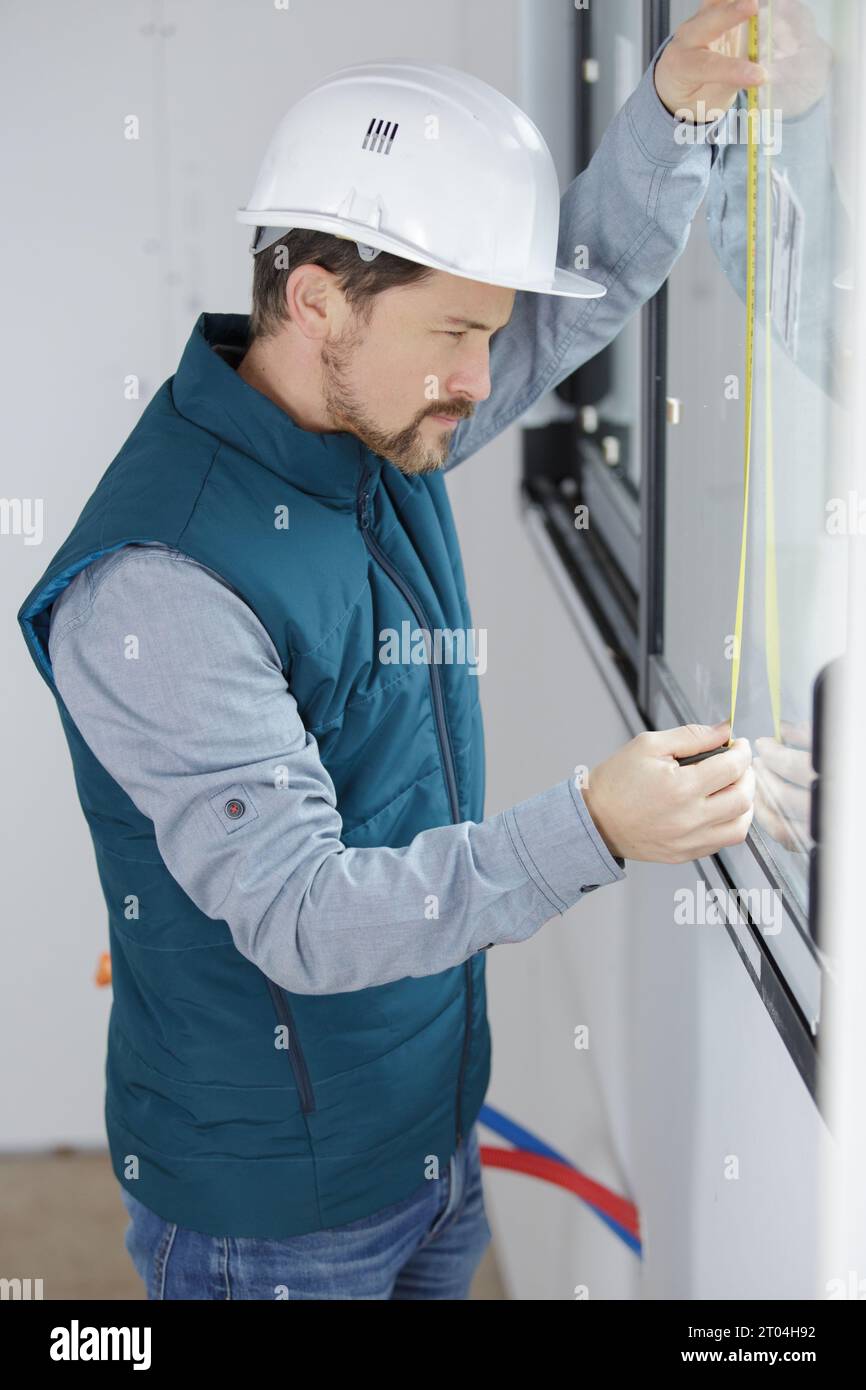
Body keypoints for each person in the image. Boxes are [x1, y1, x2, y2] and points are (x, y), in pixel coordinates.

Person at [17, 0, 762, 1300]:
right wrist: (590, 826)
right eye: (457, 336)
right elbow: (302, 914)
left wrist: (680, 105)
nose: (487, 378)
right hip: (274, 1210)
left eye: (485, 331)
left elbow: (561, 295)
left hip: (420, 1126)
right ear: (316, 301)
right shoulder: (166, 582)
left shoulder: (371, 422)